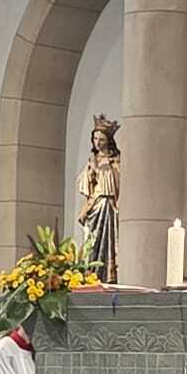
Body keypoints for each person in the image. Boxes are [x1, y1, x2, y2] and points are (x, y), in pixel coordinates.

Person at [75, 115, 121, 284]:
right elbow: (86, 185)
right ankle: (92, 271)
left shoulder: (115, 159)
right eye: (95, 138)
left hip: (108, 203)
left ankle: (107, 271)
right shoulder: (92, 160)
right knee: (92, 240)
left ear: (108, 141)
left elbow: (117, 180)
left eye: (101, 139)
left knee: (107, 238)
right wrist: (91, 170)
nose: (97, 142)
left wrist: (109, 167)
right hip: (95, 204)